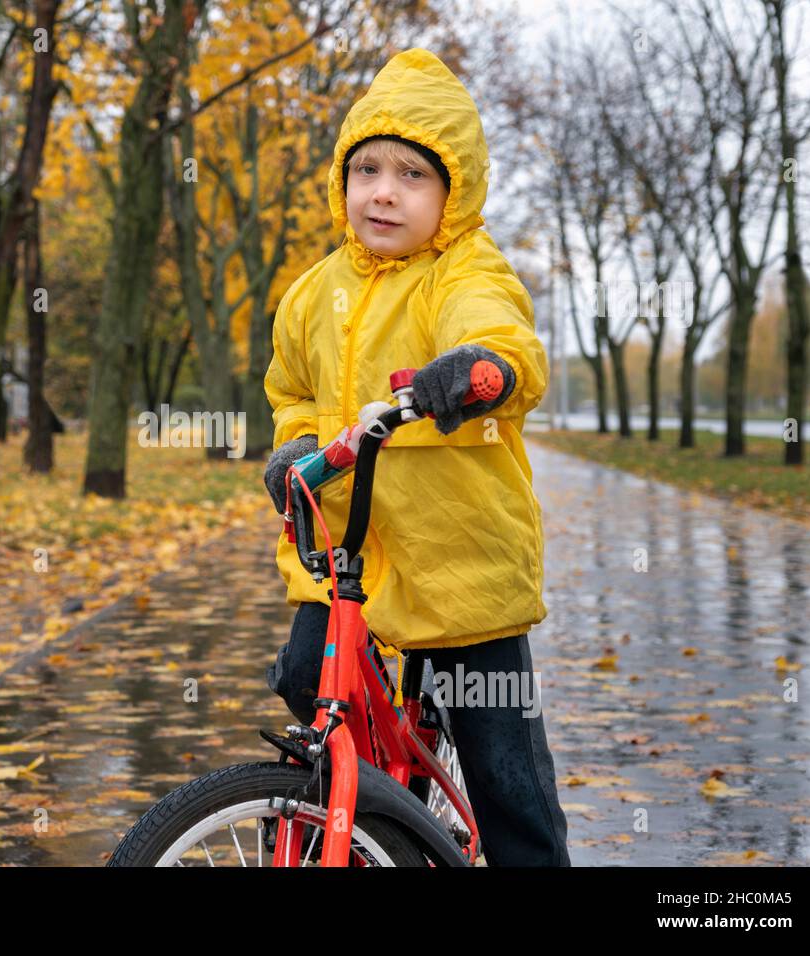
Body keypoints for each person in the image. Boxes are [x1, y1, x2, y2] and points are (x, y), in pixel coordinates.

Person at [260, 48, 570, 866]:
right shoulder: (310, 292)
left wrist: (480, 370)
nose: (383, 191)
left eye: (411, 175)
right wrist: (292, 442)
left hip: (460, 556)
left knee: (506, 771)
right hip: (345, 555)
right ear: (342, 182)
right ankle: (374, 820)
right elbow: (289, 387)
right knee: (304, 680)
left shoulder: (461, 271)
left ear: (453, 194)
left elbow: (504, 342)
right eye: (365, 169)